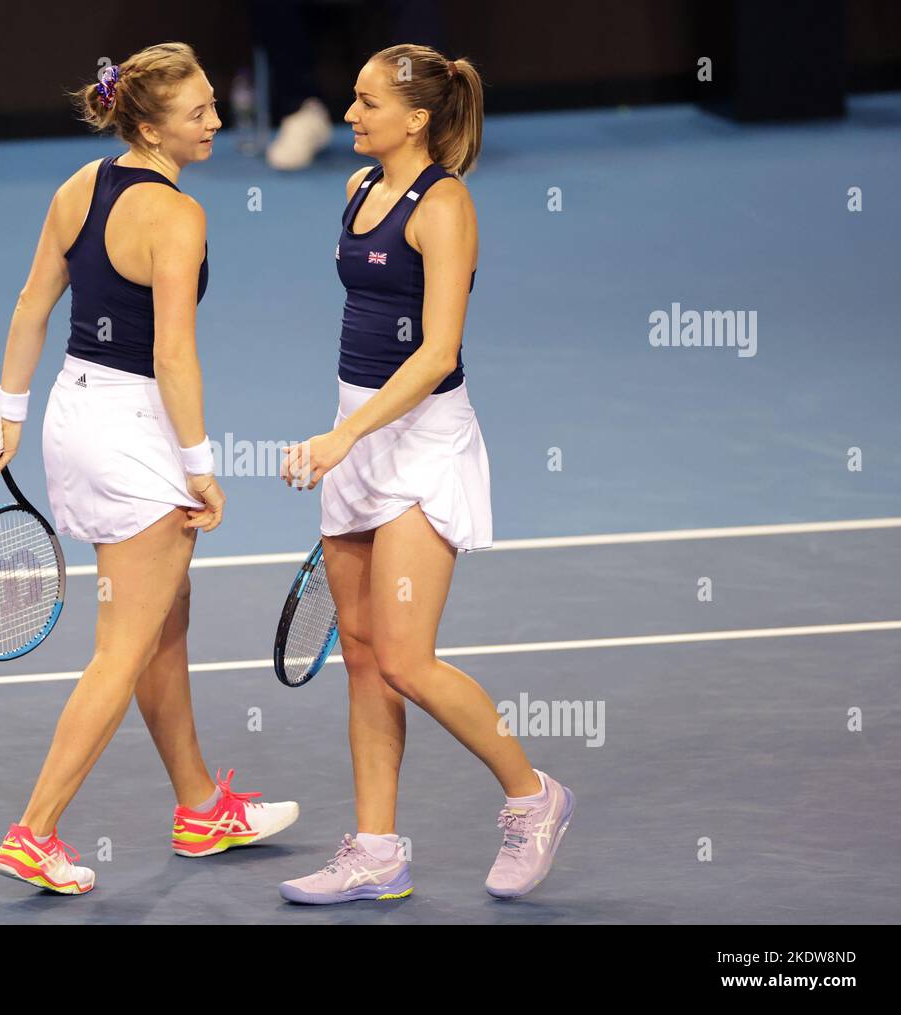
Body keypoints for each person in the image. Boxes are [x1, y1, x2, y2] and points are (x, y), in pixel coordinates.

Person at [0, 42, 298, 895]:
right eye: (200, 113)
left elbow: (29, 305)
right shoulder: (179, 218)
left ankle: (200, 806)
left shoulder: (77, 186)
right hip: (133, 430)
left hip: (70, 417)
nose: (217, 123)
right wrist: (200, 466)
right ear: (151, 124)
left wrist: (4, 418)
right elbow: (173, 354)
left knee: (163, 622)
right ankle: (34, 829)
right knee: (121, 648)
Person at [277, 44, 575, 903]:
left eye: (366, 103)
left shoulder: (444, 207)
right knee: (364, 658)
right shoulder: (357, 190)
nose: (350, 116)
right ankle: (376, 849)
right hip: (358, 429)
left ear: (416, 119)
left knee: (406, 657)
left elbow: (438, 350)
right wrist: (347, 433)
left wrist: (344, 438)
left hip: (422, 442)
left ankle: (533, 795)